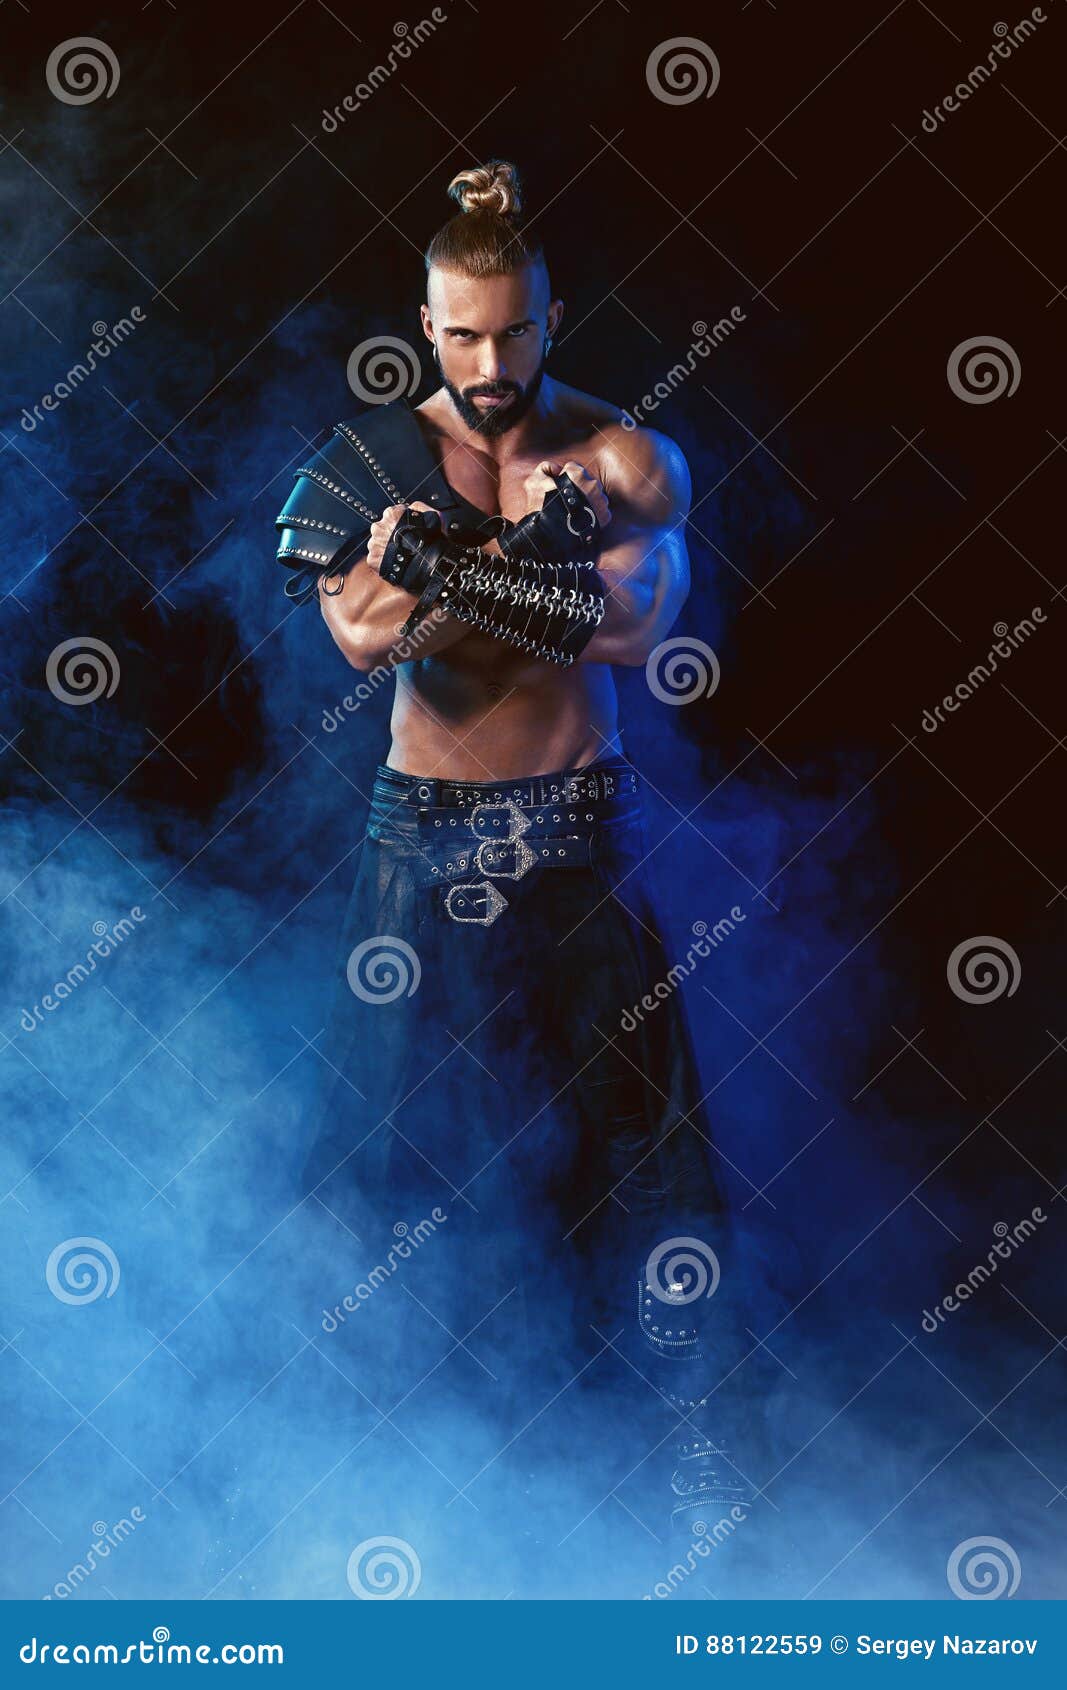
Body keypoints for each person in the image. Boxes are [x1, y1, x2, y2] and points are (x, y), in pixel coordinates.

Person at [275, 161, 752, 1561]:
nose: (492, 368)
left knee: (647, 1176)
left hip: (578, 840)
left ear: (554, 317)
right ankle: (375, 1496)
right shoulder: (363, 463)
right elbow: (363, 639)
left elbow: (630, 631)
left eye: (517, 334)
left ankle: (685, 1491)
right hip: (417, 851)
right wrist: (520, 564)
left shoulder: (624, 458)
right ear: (425, 325)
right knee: (383, 1174)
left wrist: (446, 565)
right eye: (466, 337)